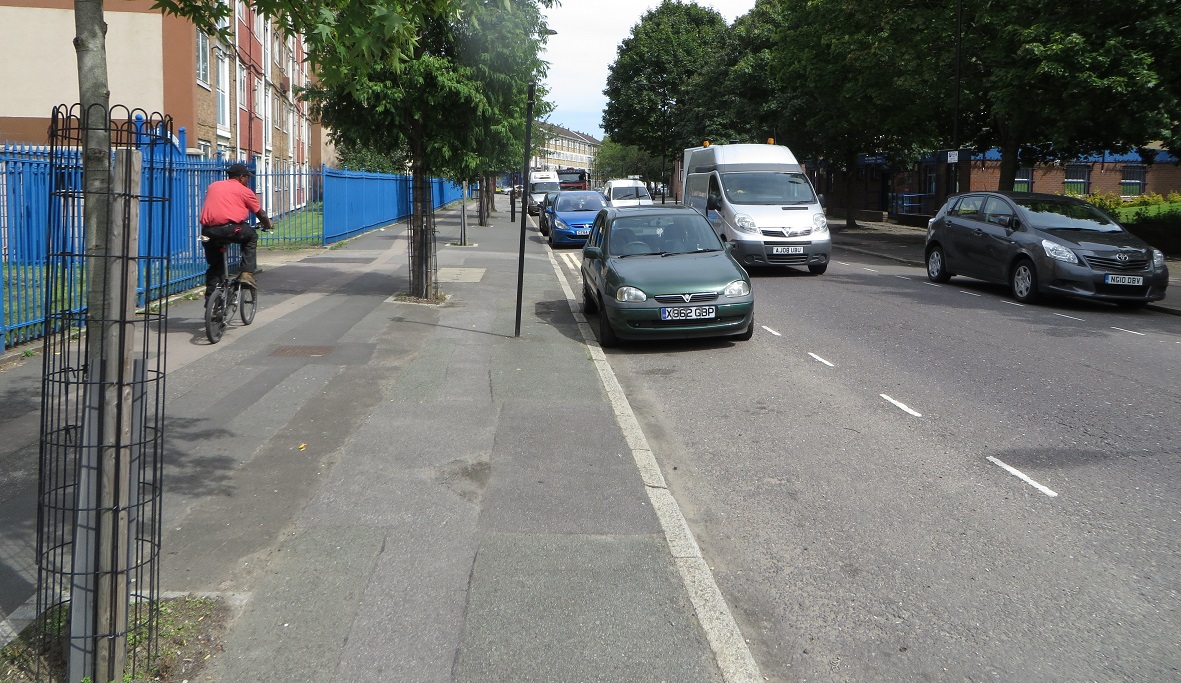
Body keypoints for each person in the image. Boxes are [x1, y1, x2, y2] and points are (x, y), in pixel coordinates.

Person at [199, 162, 272, 293]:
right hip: (231, 229)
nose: (248, 180)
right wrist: (268, 224)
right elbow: (260, 213)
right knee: (251, 236)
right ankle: (246, 273)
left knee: (215, 267)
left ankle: (213, 304)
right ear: (241, 177)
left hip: (208, 231)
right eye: (247, 177)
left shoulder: (213, 186)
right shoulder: (244, 191)